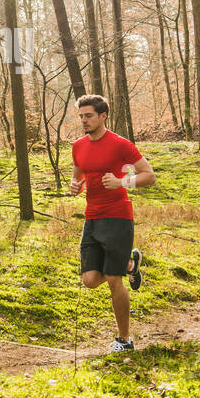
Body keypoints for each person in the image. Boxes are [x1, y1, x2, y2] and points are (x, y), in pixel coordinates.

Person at [69, 92, 156, 352]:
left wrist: (122, 182)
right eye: (81, 116)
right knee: (90, 279)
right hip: (92, 218)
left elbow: (149, 176)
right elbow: (79, 176)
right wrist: (76, 186)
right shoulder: (78, 146)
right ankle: (130, 262)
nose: (84, 120)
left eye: (89, 116)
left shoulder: (120, 144)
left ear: (103, 116)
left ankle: (124, 339)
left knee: (113, 278)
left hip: (118, 216)